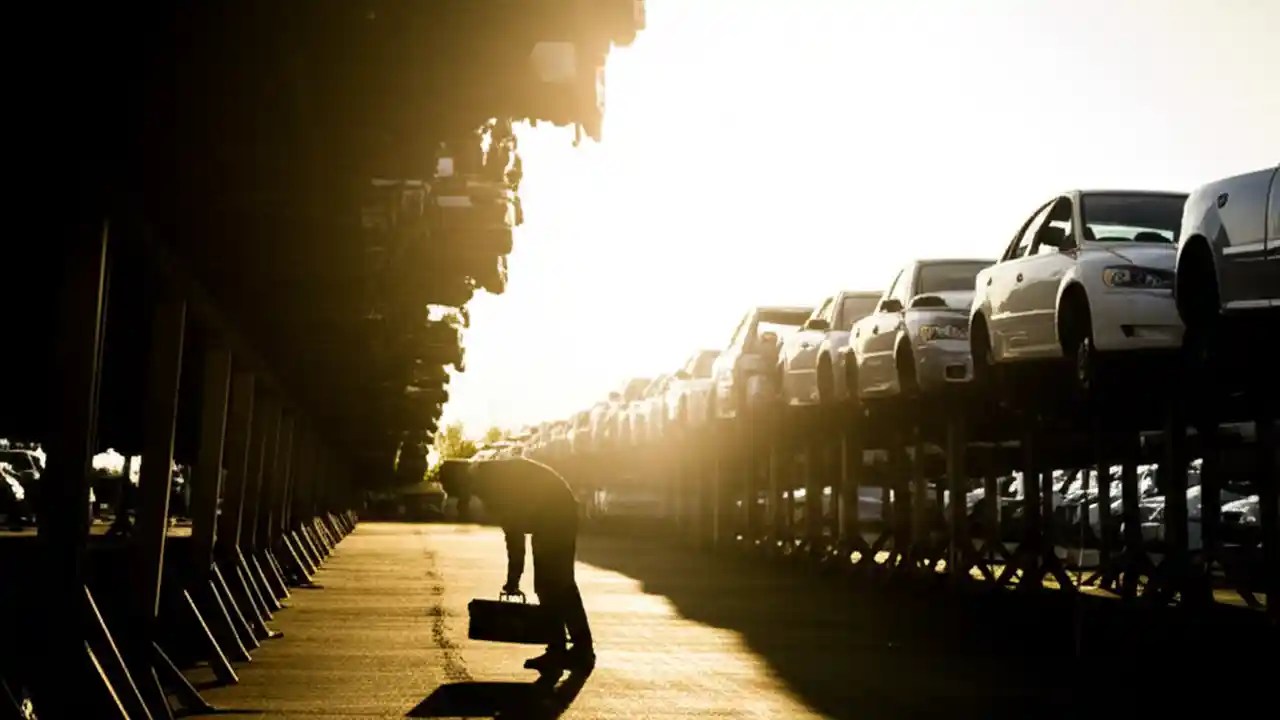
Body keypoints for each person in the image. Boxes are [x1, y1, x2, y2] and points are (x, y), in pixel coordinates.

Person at [443, 456, 594, 671]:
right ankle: (562, 650)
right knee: (550, 585)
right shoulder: (485, 475)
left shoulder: (492, 484)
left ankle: (580, 651)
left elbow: (514, 536)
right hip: (552, 513)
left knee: (558, 584)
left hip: (556, 516)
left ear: (463, 481)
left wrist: (513, 579)